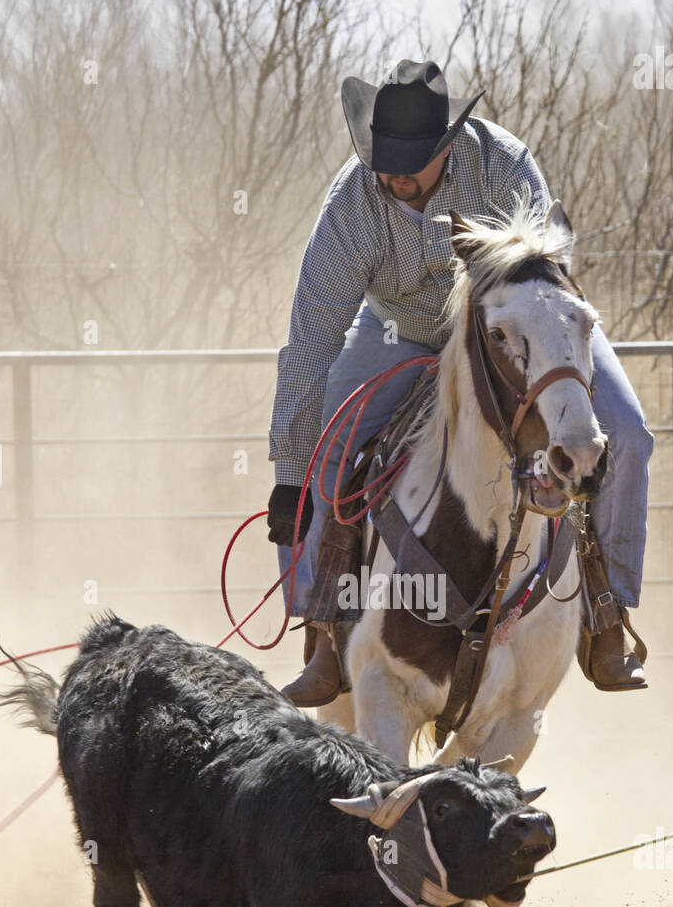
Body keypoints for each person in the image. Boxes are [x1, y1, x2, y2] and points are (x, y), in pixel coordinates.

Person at [267, 60, 653, 706]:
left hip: (516, 328)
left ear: (445, 148)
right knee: (327, 451)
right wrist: (288, 475)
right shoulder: (353, 207)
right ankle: (324, 632)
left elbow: (547, 280)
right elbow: (309, 341)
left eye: (410, 163)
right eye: (384, 160)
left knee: (631, 437)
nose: (395, 177)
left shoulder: (503, 165)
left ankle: (606, 616)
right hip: (398, 332)